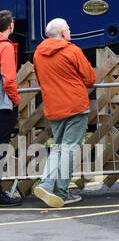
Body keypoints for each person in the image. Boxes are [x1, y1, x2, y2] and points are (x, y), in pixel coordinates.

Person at [30, 18, 97, 208]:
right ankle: (61, 192)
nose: (70, 32)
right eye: (68, 29)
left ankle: (46, 184)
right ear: (61, 33)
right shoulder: (72, 50)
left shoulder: (38, 53)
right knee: (69, 149)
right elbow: (90, 78)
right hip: (75, 104)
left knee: (58, 148)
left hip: (53, 106)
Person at [0, 11, 21, 206]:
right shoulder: (5, 47)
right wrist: (16, 100)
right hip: (2, 106)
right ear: (11, 26)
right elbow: (8, 79)